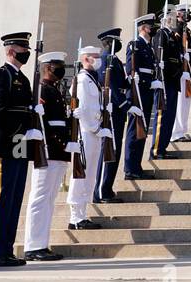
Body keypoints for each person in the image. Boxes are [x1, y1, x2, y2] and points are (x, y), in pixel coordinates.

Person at [0, 31, 39, 267]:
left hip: (19, 145)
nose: (25, 54)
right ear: (9, 51)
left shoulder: (23, 78)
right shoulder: (1, 75)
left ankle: (6, 249)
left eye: (26, 50)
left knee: (14, 197)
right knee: (1, 198)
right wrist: (22, 127)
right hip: (7, 144)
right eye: (21, 50)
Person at [23, 51, 70, 263]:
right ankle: (33, 246)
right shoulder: (41, 89)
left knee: (49, 199)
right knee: (40, 198)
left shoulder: (55, 90)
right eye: (56, 66)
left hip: (59, 150)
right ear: (47, 68)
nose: (60, 69)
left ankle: (42, 243)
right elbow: (44, 124)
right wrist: (61, 142)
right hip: (48, 149)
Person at [68, 44, 107, 228]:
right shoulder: (82, 80)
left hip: (94, 132)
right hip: (85, 133)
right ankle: (75, 216)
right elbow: (81, 109)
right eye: (94, 56)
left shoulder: (93, 79)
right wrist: (95, 128)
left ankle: (82, 214)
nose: (98, 60)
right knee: (81, 174)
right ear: (85, 59)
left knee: (90, 175)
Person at [94, 28, 130, 201]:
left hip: (117, 112)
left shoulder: (114, 60)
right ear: (109, 42)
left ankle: (107, 188)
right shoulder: (104, 60)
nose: (119, 43)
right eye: (116, 41)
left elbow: (120, 83)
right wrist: (125, 104)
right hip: (111, 111)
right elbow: (109, 87)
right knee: (109, 151)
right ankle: (101, 191)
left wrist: (130, 81)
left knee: (115, 151)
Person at [124, 15, 162, 181]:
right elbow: (131, 69)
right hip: (137, 93)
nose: (152, 29)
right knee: (134, 130)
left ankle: (136, 167)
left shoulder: (149, 47)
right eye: (149, 26)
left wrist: (154, 80)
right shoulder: (135, 45)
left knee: (142, 131)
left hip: (146, 93)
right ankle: (130, 168)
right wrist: (145, 81)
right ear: (142, 28)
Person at [151, 7, 184, 159]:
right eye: (171, 17)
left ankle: (163, 148)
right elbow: (159, 57)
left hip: (173, 81)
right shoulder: (161, 34)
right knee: (162, 117)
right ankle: (156, 150)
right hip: (165, 81)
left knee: (170, 117)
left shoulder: (172, 35)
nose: (174, 20)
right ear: (164, 19)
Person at [169, 5, 191, 144]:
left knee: (185, 103)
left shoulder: (187, 29)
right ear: (178, 13)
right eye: (185, 13)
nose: (187, 16)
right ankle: (175, 133)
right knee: (180, 103)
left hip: (188, 69)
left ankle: (182, 131)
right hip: (180, 71)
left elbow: (190, 49)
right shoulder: (176, 28)